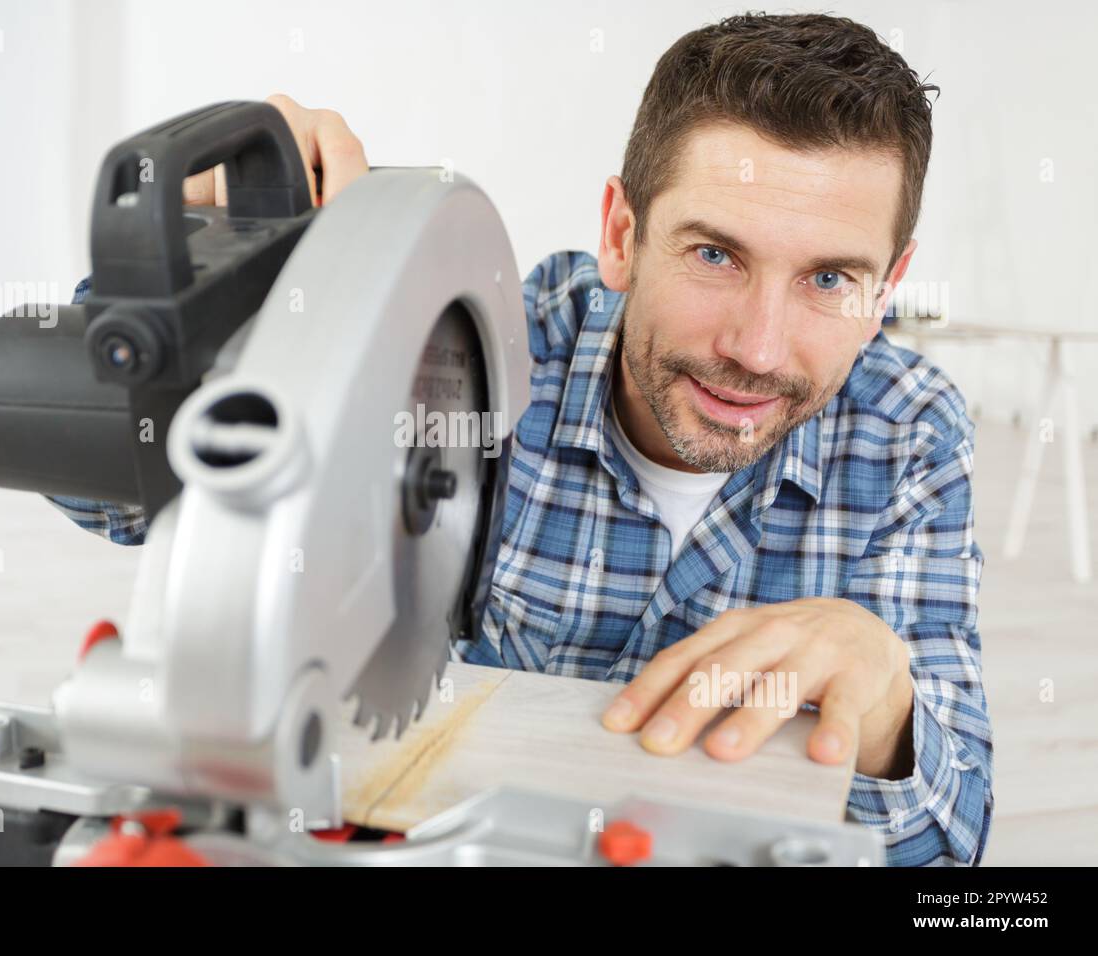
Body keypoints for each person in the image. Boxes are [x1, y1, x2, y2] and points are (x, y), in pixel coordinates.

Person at [50, 12, 991, 867]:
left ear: (888, 286)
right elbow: (107, 487)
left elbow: (955, 847)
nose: (757, 346)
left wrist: (887, 710)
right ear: (621, 233)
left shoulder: (908, 431)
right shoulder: (471, 344)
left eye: (830, 280)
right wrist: (200, 293)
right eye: (715, 254)